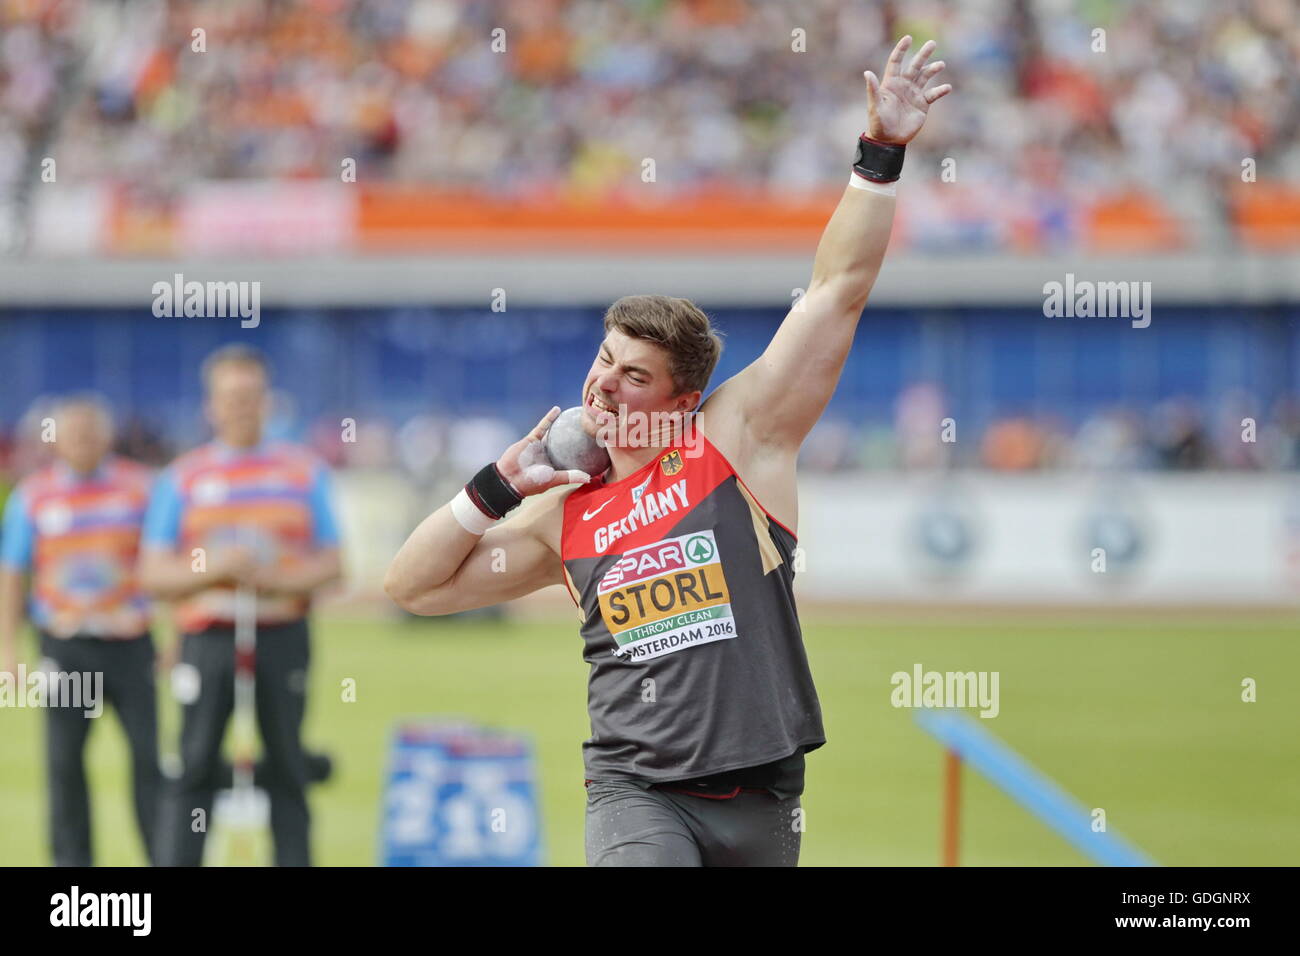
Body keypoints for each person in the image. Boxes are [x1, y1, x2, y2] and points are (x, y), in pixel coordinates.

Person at [385, 36, 951, 866]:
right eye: (604, 360)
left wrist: (881, 153)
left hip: (762, 794)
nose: (605, 385)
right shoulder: (563, 515)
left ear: (682, 403)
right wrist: (497, 487)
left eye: (635, 376)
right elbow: (411, 587)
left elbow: (835, 293)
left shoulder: (737, 440)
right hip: (634, 791)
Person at [138, 344, 343, 866]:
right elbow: (154, 574)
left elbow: (333, 564)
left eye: (251, 397)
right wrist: (214, 570)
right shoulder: (183, 478)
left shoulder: (303, 472)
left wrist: (276, 580)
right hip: (207, 637)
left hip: (281, 634)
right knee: (195, 763)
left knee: (287, 763)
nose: (242, 408)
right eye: (231, 398)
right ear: (211, 405)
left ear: (267, 401)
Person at [0, 395, 160, 866]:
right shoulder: (34, 495)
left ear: (106, 438)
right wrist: (7, 649)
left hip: (130, 643)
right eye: (74, 436)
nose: (83, 444)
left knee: (148, 758)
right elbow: (13, 572)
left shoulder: (140, 489)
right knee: (65, 763)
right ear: (56, 441)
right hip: (66, 647)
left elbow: (166, 559)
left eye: (91, 434)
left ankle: (166, 855)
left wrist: (177, 635)